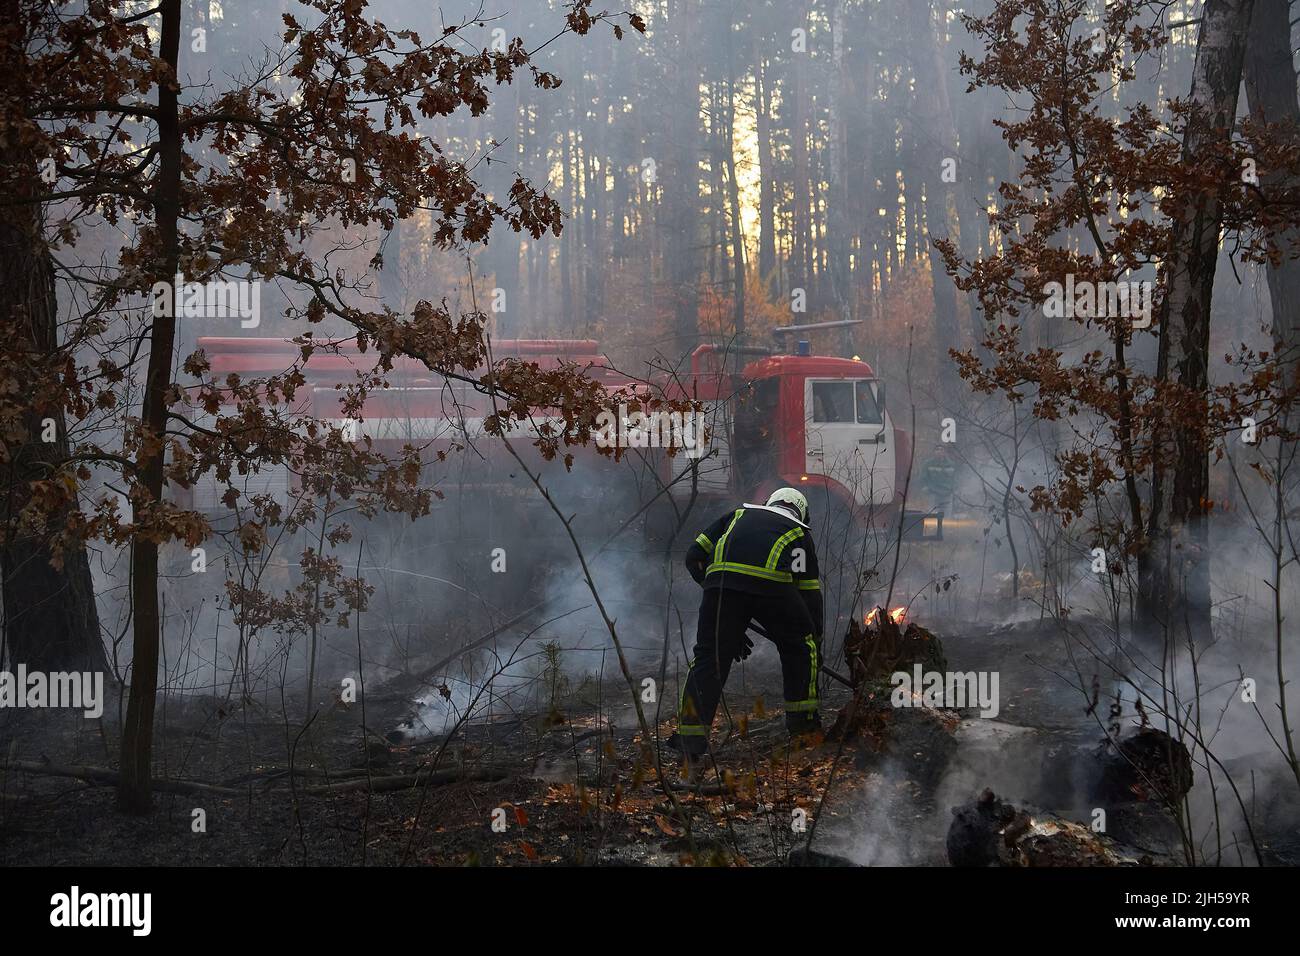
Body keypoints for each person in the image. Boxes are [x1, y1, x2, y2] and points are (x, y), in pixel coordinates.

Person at [667, 487, 823, 761]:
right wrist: (814, 642)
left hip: (721, 585)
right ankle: (804, 728)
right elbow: (808, 595)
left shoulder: (737, 514)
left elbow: (694, 556)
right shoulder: (799, 532)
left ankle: (689, 742)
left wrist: (724, 610)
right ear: (803, 514)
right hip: (771, 587)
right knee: (799, 648)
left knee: (709, 659)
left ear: (768, 502)